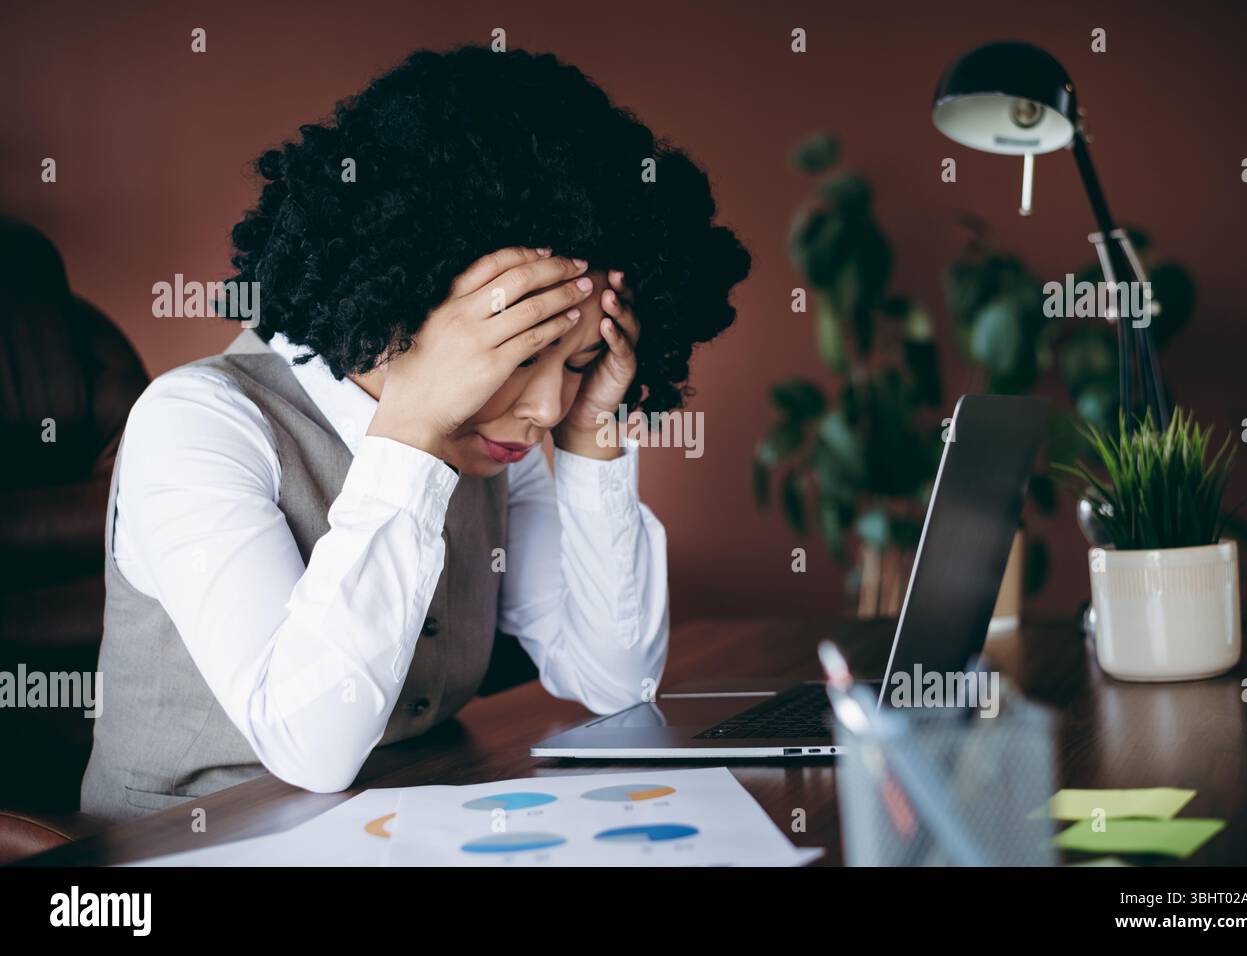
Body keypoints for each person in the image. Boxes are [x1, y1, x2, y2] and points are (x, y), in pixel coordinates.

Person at [81, 46, 750, 821]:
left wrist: (593, 440)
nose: (543, 407)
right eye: (520, 354)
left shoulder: (500, 444)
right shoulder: (198, 421)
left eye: (581, 360)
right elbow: (313, 748)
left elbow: (614, 681)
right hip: (179, 852)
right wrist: (411, 431)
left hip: (397, 829)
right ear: (403, 301)